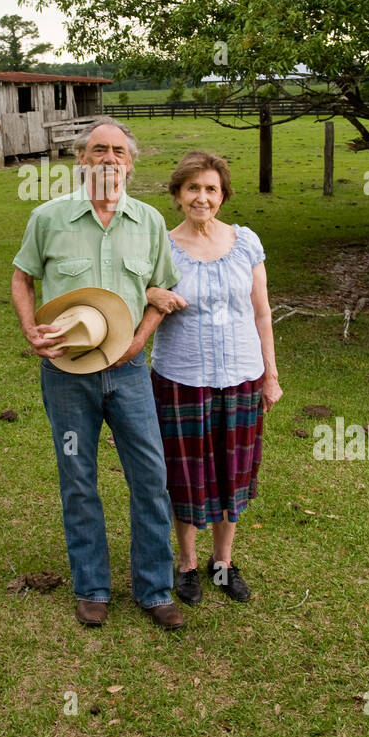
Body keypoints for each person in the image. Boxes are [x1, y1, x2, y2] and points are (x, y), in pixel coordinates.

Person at [11, 118, 187, 630]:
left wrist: (138, 340)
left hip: (130, 374)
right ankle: (92, 587)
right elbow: (23, 277)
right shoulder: (49, 218)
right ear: (81, 160)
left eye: (118, 151)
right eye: (98, 150)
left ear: (129, 163)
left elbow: (162, 291)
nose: (108, 158)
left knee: (151, 478)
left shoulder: (150, 222)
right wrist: (30, 329)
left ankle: (154, 590)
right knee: (79, 480)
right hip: (68, 377)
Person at [146, 151, 283, 605]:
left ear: (222, 195)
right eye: (192, 189)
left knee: (233, 474)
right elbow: (135, 300)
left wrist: (270, 376)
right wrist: (149, 291)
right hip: (182, 379)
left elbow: (262, 313)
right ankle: (186, 564)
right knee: (186, 476)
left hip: (242, 376)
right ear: (177, 195)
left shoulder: (246, 243)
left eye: (211, 189)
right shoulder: (161, 246)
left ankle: (222, 564)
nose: (201, 197)